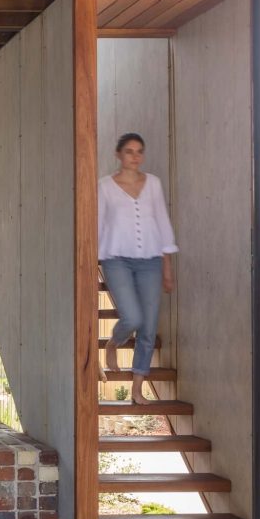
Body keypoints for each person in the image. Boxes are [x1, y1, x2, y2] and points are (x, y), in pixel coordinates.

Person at [98, 132, 177, 404]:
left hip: (151, 261)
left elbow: (162, 223)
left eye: (139, 151)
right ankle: (113, 342)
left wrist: (167, 266)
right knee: (132, 318)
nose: (135, 156)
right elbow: (98, 225)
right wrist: (89, 263)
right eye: (129, 151)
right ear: (118, 154)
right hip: (116, 259)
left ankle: (137, 388)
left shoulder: (153, 184)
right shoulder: (105, 186)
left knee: (149, 325)